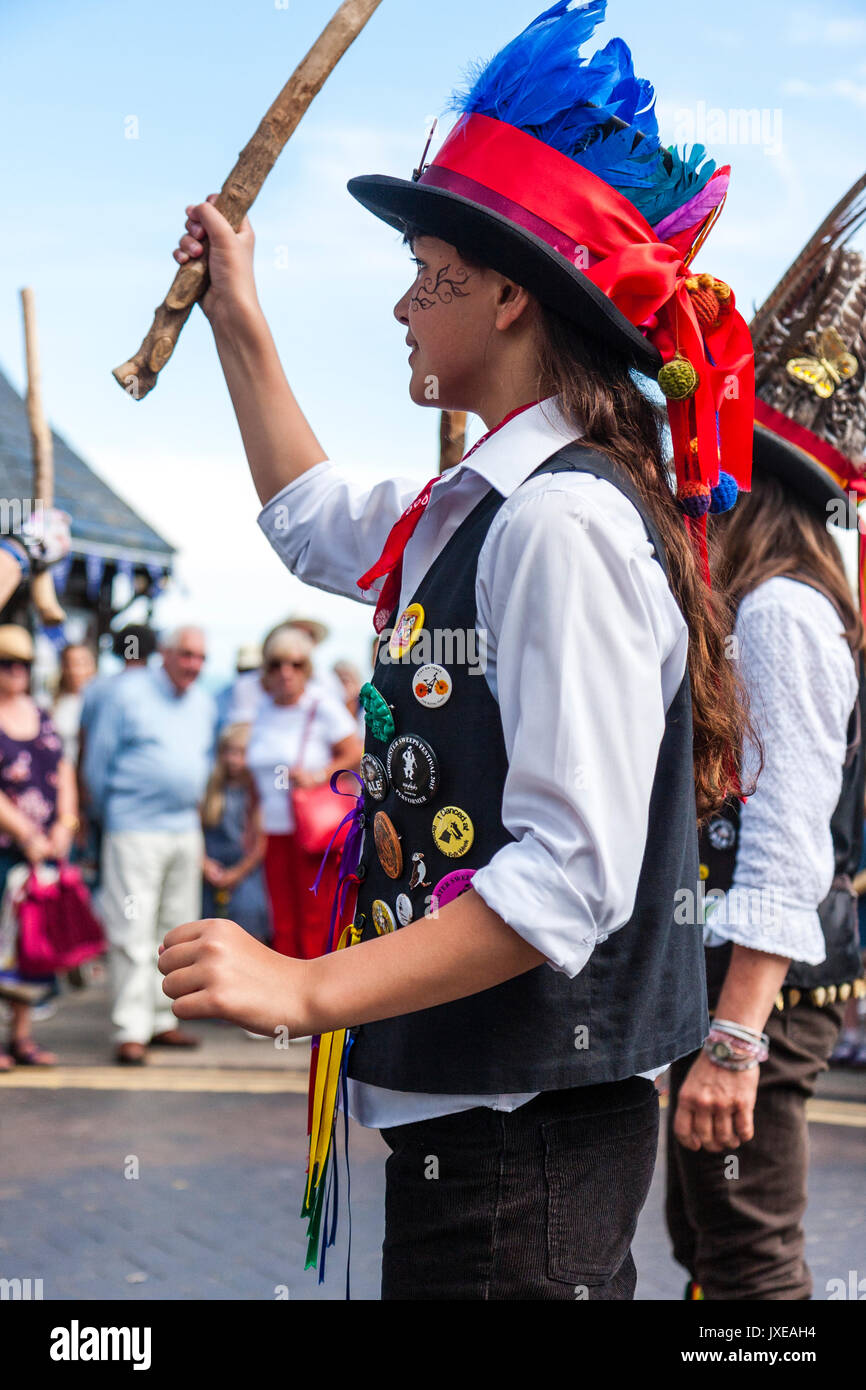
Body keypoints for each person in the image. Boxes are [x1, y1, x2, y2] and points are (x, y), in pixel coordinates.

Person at [159, 2, 755, 1298]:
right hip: (485, 1134)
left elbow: (570, 883)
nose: (399, 302)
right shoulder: (479, 505)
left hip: (522, 1145)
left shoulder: (564, 520)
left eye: (426, 271)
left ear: (504, 292)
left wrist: (307, 985)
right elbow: (314, 523)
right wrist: (236, 314)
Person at [666, 230, 866, 1300]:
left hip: (764, 992)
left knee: (745, 1252)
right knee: (707, 1240)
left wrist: (736, 1033)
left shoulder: (782, 610)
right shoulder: (765, 603)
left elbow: (788, 819)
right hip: (736, 978)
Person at [83, 625, 215, 1064]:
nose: (193, 664)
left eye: (200, 657)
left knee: (176, 929)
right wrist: (108, 816)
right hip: (134, 827)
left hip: (183, 829)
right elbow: (96, 765)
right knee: (132, 929)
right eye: (186, 654)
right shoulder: (127, 695)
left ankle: (163, 1020)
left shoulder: (201, 702)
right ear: (165, 654)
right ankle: (130, 1027)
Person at [245, 627, 361, 959]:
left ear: (307, 668)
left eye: (296, 664)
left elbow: (354, 750)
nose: (286, 672)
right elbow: (256, 776)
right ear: (266, 670)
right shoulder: (264, 709)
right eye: (277, 664)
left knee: (318, 917)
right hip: (274, 830)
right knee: (282, 917)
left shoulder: (320, 704)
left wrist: (317, 775)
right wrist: (251, 824)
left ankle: (320, 999)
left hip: (313, 832)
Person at [0, 625, 78, 1069]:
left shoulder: (41, 712)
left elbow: (62, 770)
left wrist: (65, 824)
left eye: (22, 665)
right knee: (0, 940)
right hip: (8, 846)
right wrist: (25, 833)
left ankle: (22, 1036)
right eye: (5, 664)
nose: (15, 672)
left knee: (32, 942)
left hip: (44, 848)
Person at [201, 722, 271, 943]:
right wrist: (204, 863)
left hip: (246, 872)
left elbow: (261, 844)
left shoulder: (256, 793)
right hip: (213, 871)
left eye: (241, 752)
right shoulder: (212, 788)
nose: (233, 759)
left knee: (248, 926)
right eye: (228, 751)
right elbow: (197, 829)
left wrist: (236, 874)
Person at [51, 643, 96, 765]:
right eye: (69, 664)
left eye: (82, 663)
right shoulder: (52, 705)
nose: (75, 670)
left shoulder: (102, 704)